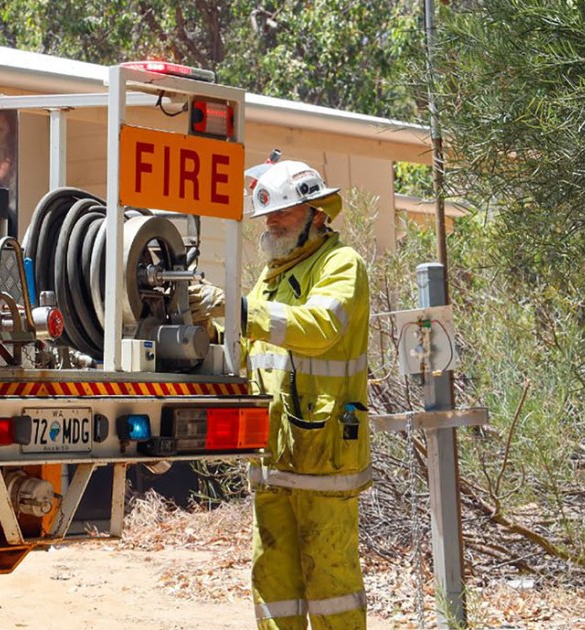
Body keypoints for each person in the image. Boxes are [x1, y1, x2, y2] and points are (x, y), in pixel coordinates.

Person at [194, 159, 371, 629]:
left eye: (283, 213)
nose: (270, 222)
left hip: (325, 452)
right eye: (267, 215)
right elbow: (253, 343)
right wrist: (207, 323)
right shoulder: (273, 275)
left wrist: (238, 310)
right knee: (273, 582)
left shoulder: (340, 264)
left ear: (316, 212)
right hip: (273, 455)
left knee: (331, 582)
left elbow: (320, 326)